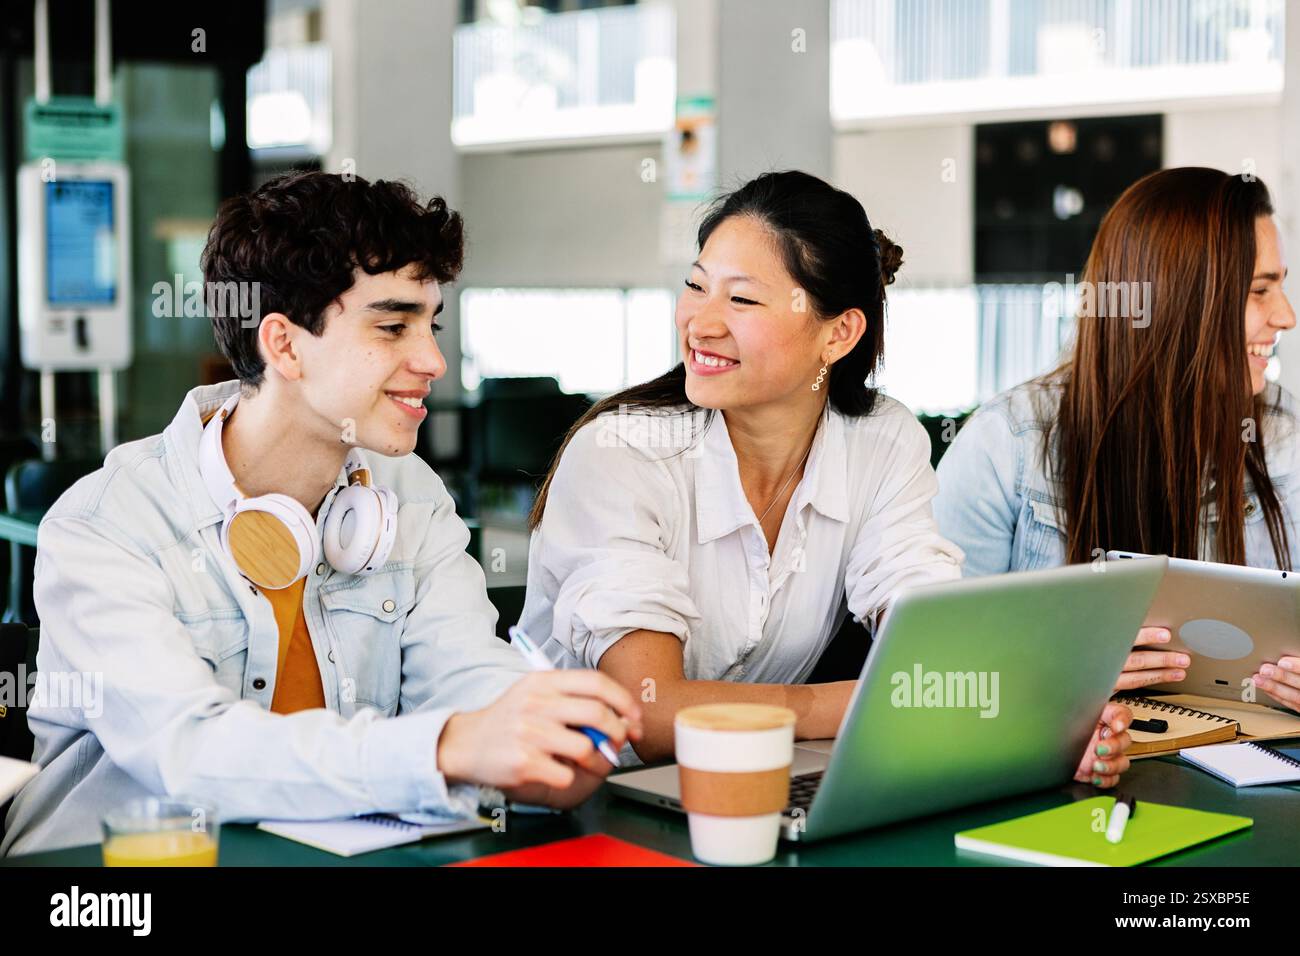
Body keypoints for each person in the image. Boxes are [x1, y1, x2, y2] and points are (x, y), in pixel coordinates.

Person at [1, 172, 641, 856]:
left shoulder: (411, 494)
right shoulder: (106, 525)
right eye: (393, 326)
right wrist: (453, 746)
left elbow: (467, 680)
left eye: (431, 325)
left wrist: (534, 731)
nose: (432, 360)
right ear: (283, 345)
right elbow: (189, 750)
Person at [519, 170, 1133, 784]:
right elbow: (650, 716)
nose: (701, 323)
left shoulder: (880, 440)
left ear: (839, 332)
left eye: (742, 299)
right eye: (695, 286)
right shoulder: (622, 452)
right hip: (576, 800)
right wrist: (859, 703)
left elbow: (929, 643)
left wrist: (1037, 724)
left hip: (751, 781)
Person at [934, 167, 1300, 706]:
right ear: (1179, 302)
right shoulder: (1007, 443)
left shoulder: (1287, 434)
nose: (1286, 316)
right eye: (1259, 291)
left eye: (1281, 287)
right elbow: (932, 672)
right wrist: (1052, 676)